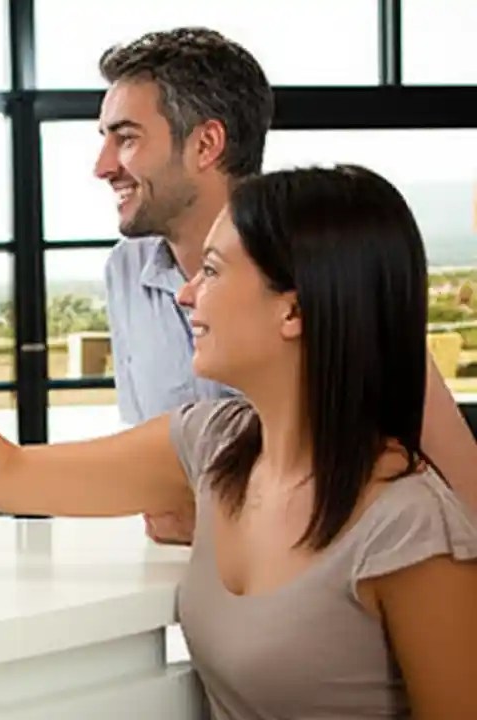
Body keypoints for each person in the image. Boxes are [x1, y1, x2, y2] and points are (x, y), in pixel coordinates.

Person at [0, 165, 477, 717]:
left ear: (293, 309)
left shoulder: (409, 528)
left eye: (212, 270)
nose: (185, 294)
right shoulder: (214, 445)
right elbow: (6, 474)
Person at [94, 27, 477, 541]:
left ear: (206, 144)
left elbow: (462, 491)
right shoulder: (125, 271)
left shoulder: (324, 263)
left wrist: (221, 516)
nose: (102, 166)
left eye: (126, 138)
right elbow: (157, 485)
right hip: (192, 580)